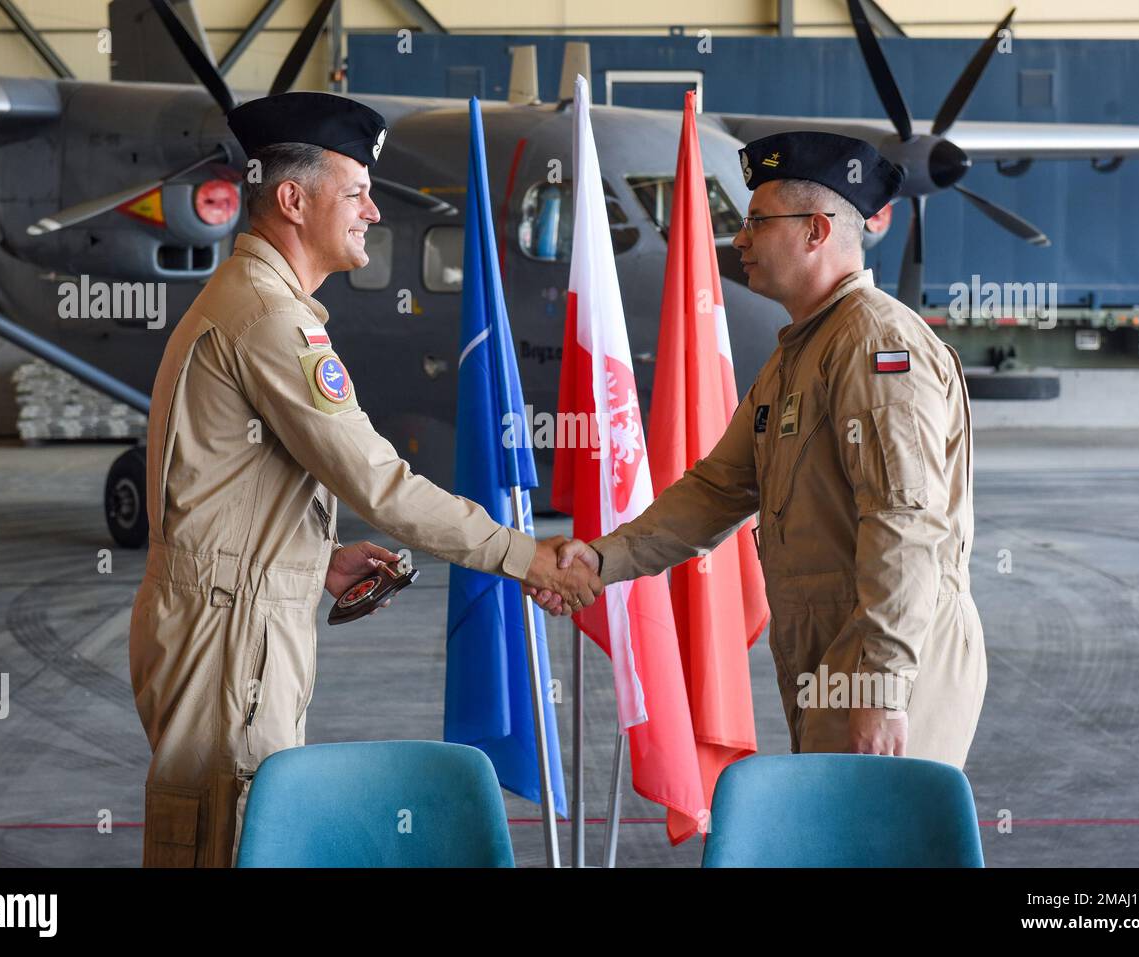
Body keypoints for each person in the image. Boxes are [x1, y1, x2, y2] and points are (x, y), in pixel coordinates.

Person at [129, 91, 599, 868]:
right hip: (230, 632)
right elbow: (379, 482)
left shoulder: (259, 303)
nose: (373, 212)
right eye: (355, 191)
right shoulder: (270, 320)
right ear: (291, 198)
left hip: (227, 618)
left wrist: (319, 558)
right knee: (230, 838)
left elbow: (237, 491)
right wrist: (525, 555)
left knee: (234, 827)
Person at [534, 131, 986, 767]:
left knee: (871, 845)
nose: (739, 240)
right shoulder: (802, 350)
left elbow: (904, 523)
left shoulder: (875, 346)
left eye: (756, 222)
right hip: (835, 650)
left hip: (889, 657)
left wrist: (884, 688)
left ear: (816, 231)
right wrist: (601, 560)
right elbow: (719, 489)